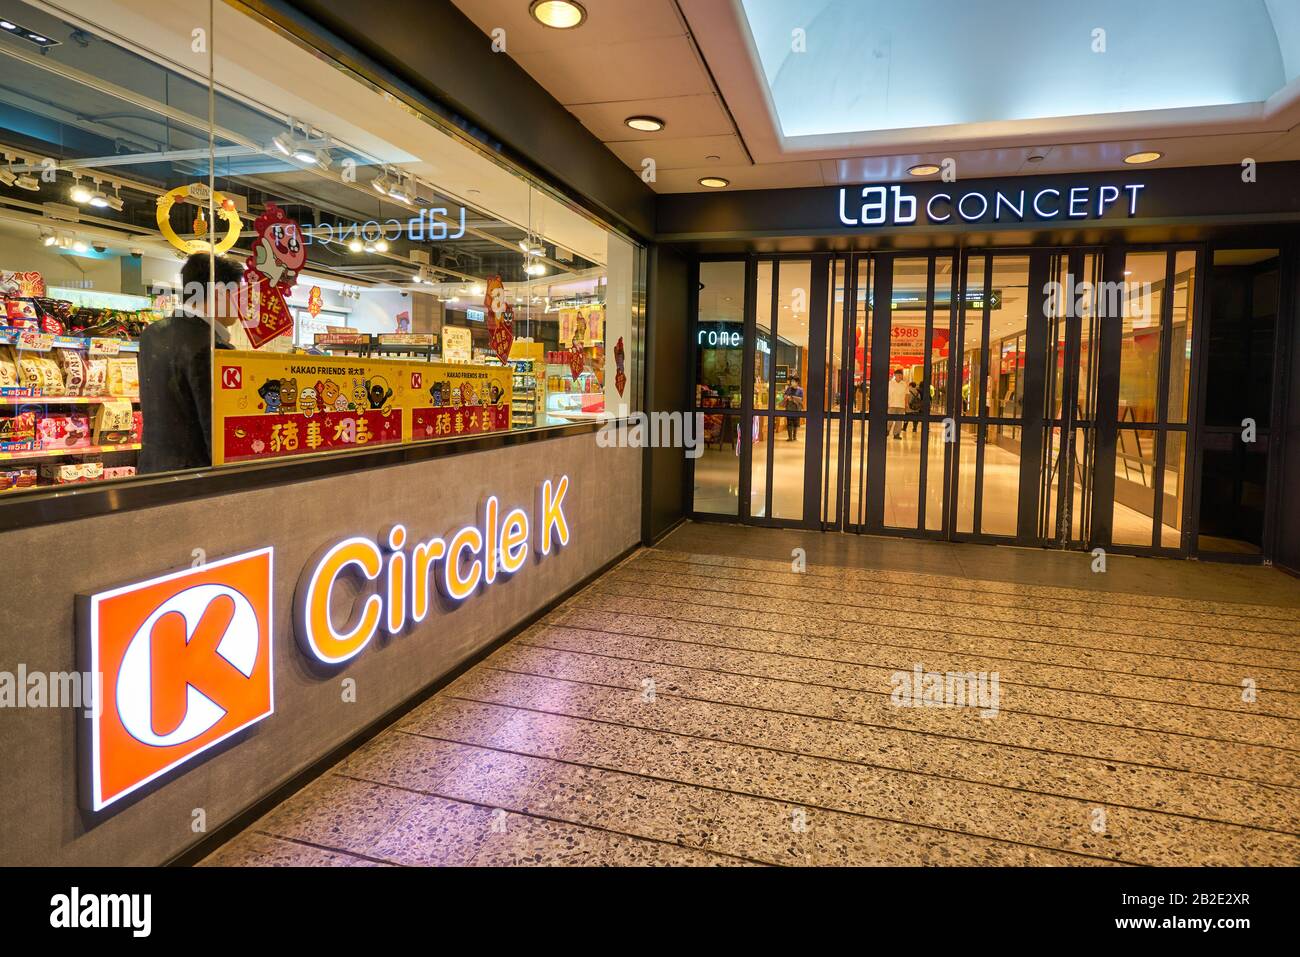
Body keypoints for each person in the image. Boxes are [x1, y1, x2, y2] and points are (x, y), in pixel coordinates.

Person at [138, 253, 243, 473]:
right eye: (237, 294)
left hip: (151, 471)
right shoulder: (212, 347)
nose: (242, 303)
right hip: (195, 479)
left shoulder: (152, 334)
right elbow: (215, 430)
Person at [887, 368, 909, 438]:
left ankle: (896, 434)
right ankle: (886, 431)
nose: (900, 376)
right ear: (895, 375)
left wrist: (906, 404)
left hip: (901, 405)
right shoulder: (890, 383)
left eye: (901, 375)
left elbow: (907, 394)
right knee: (889, 420)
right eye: (898, 375)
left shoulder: (904, 384)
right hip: (892, 404)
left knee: (899, 421)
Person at [782, 374, 805, 440]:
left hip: (797, 409)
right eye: (791, 381)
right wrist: (786, 397)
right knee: (789, 423)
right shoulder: (789, 389)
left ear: (797, 382)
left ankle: (794, 436)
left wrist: (793, 398)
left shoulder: (800, 390)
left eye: (793, 381)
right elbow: (785, 396)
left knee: (795, 423)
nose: (792, 383)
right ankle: (790, 437)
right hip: (789, 408)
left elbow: (801, 399)